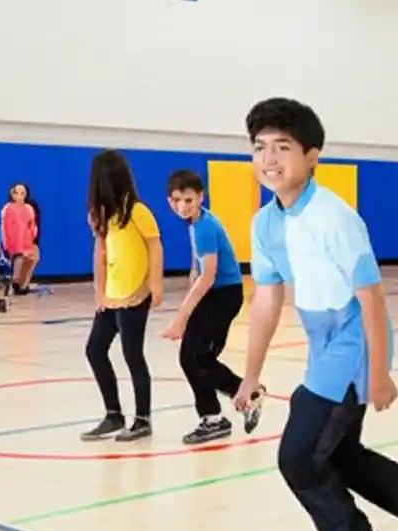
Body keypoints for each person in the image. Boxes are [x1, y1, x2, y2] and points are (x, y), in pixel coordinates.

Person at [234, 97, 398, 531]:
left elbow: (373, 299)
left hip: (354, 341)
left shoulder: (334, 217)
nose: (269, 159)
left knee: (298, 456)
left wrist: (378, 374)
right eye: (260, 148)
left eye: (283, 146)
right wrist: (251, 375)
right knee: (338, 453)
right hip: (323, 343)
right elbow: (265, 302)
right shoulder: (265, 223)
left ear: (312, 155)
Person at [162, 169, 263, 444]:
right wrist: (189, 300)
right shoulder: (196, 223)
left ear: (200, 198)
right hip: (214, 295)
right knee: (197, 359)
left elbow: (208, 276)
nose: (182, 206)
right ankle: (241, 395)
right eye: (176, 200)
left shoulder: (205, 226)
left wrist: (181, 318)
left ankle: (215, 417)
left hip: (224, 296)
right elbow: (197, 271)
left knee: (194, 358)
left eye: (189, 200)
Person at [80, 149, 163, 442]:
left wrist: (153, 287)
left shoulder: (137, 210)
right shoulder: (103, 216)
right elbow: (100, 253)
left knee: (132, 355)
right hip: (113, 296)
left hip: (134, 295)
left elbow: (155, 247)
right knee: (95, 349)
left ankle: (143, 419)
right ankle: (113, 414)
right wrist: (99, 292)